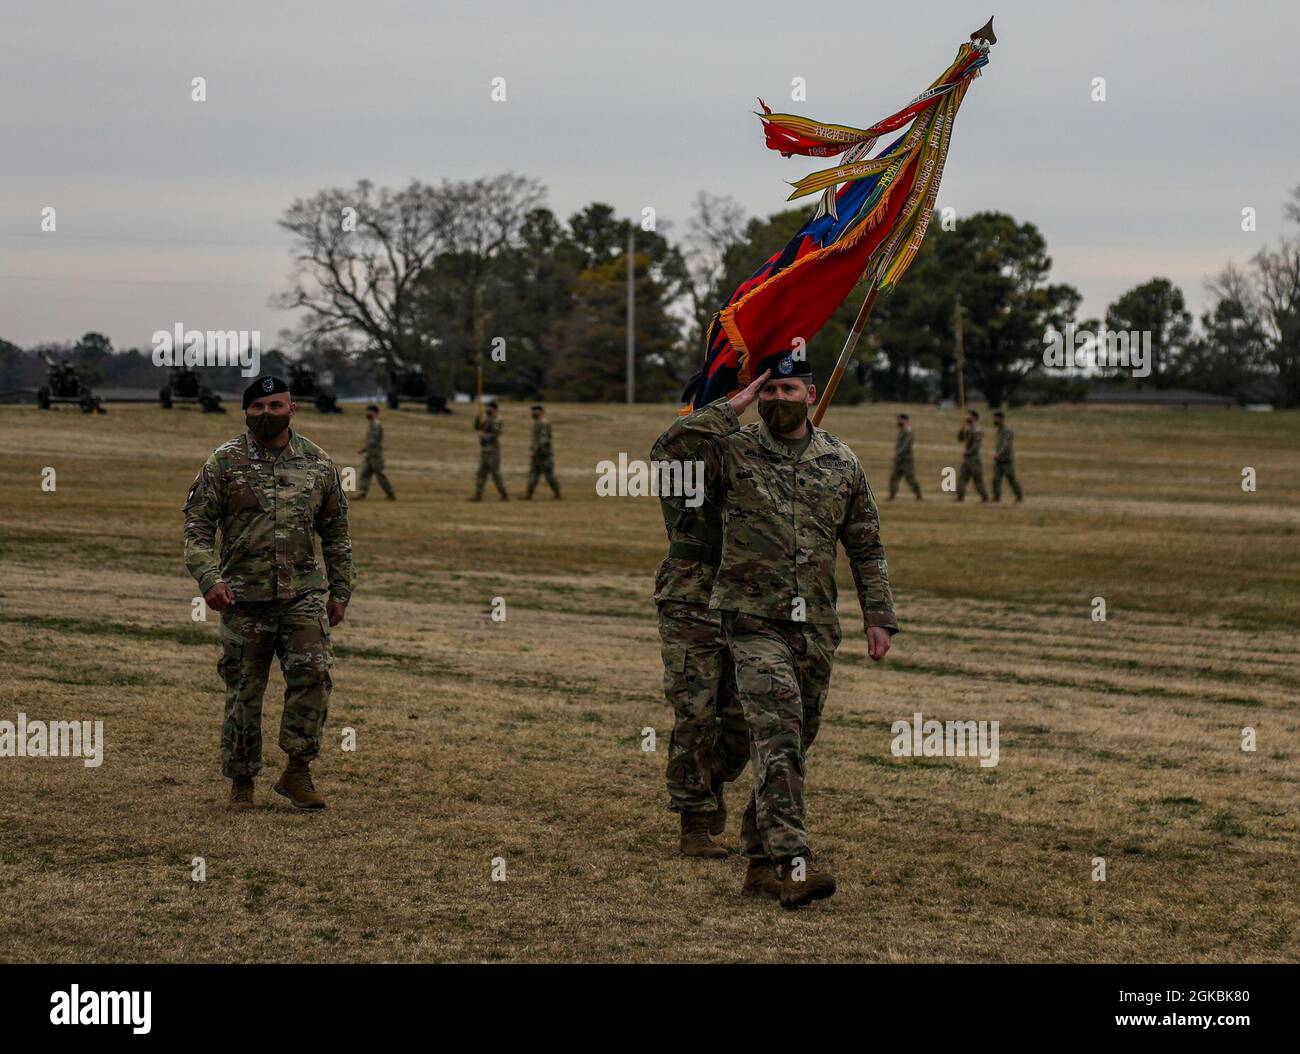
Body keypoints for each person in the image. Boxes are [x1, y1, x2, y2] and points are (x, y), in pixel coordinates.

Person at [655, 350, 898, 908]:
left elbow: (865, 544)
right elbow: (669, 455)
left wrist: (878, 616)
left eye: (790, 391)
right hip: (751, 620)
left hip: (814, 624)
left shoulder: (841, 461)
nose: (779, 400)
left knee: (796, 736)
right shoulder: (732, 452)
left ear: (811, 395)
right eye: (770, 391)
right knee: (778, 736)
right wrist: (729, 405)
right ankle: (791, 861)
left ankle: (759, 861)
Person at [183, 375, 354, 811]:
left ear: (292, 410)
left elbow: (335, 533)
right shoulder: (224, 462)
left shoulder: (318, 463)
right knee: (244, 690)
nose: (266, 414)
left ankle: (298, 771)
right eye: (258, 407)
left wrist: (341, 590)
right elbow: (197, 531)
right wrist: (210, 580)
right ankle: (242, 781)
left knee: (313, 679)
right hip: (244, 599)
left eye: (276, 406)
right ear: (246, 412)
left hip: (304, 596)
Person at [650, 426, 749, 859]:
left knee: (743, 719)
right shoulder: (681, 468)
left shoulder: (753, 462)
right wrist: (729, 404)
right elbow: (664, 448)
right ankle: (693, 819)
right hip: (691, 598)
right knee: (695, 713)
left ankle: (713, 782)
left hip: (747, 599)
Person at [355, 404, 395, 501]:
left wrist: (364, 449)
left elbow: (374, 440)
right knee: (364, 473)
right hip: (370, 455)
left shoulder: (377, 425)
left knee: (380, 475)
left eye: (370, 411)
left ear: (375, 413)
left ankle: (391, 494)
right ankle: (362, 494)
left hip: (376, 455)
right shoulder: (371, 424)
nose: (367, 413)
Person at [472, 400, 508, 501]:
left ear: (494, 409)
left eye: (489, 408)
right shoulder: (486, 420)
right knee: (481, 474)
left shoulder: (497, 420)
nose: (487, 409)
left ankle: (504, 494)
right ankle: (478, 495)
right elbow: (477, 427)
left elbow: (496, 433)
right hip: (484, 451)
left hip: (493, 451)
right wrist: (478, 418)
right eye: (486, 407)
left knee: (495, 474)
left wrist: (484, 436)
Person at [524, 404, 561, 500]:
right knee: (533, 475)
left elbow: (543, 439)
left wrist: (535, 451)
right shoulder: (536, 423)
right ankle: (529, 494)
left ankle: (557, 493)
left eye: (535, 411)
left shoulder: (543, 423)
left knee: (549, 476)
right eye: (532, 411)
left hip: (544, 454)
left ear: (541, 412)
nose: (533, 413)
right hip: (537, 454)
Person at [956, 410, 989, 502]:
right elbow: (960, 439)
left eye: (969, 416)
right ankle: (960, 496)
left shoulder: (977, 430)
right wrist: (961, 429)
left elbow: (976, 445)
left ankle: (984, 497)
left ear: (974, 418)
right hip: (967, 459)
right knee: (962, 478)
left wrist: (968, 452)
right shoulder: (968, 429)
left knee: (977, 479)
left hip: (974, 459)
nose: (967, 417)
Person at [991, 410, 1024, 502]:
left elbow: (1007, 444)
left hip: (1006, 460)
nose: (994, 420)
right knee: (996, 480)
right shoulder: (999, 431)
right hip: (999, 460)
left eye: (995, 418)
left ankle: (1019, 496)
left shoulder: (1008, 431)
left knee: (1011, 479)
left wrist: (998, 453)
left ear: (1001, 419)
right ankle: (996, 497)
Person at [889, 413, 922, 500]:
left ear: (905, 420)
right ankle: (892, 495)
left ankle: (919, 495)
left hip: (906, 461)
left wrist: (897, 453)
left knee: (910, 479)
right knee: (894, 478)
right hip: (899, 460)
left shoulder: (908, 431)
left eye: (900, 420)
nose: (898, 422)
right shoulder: (902, 431)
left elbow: (905, 445)